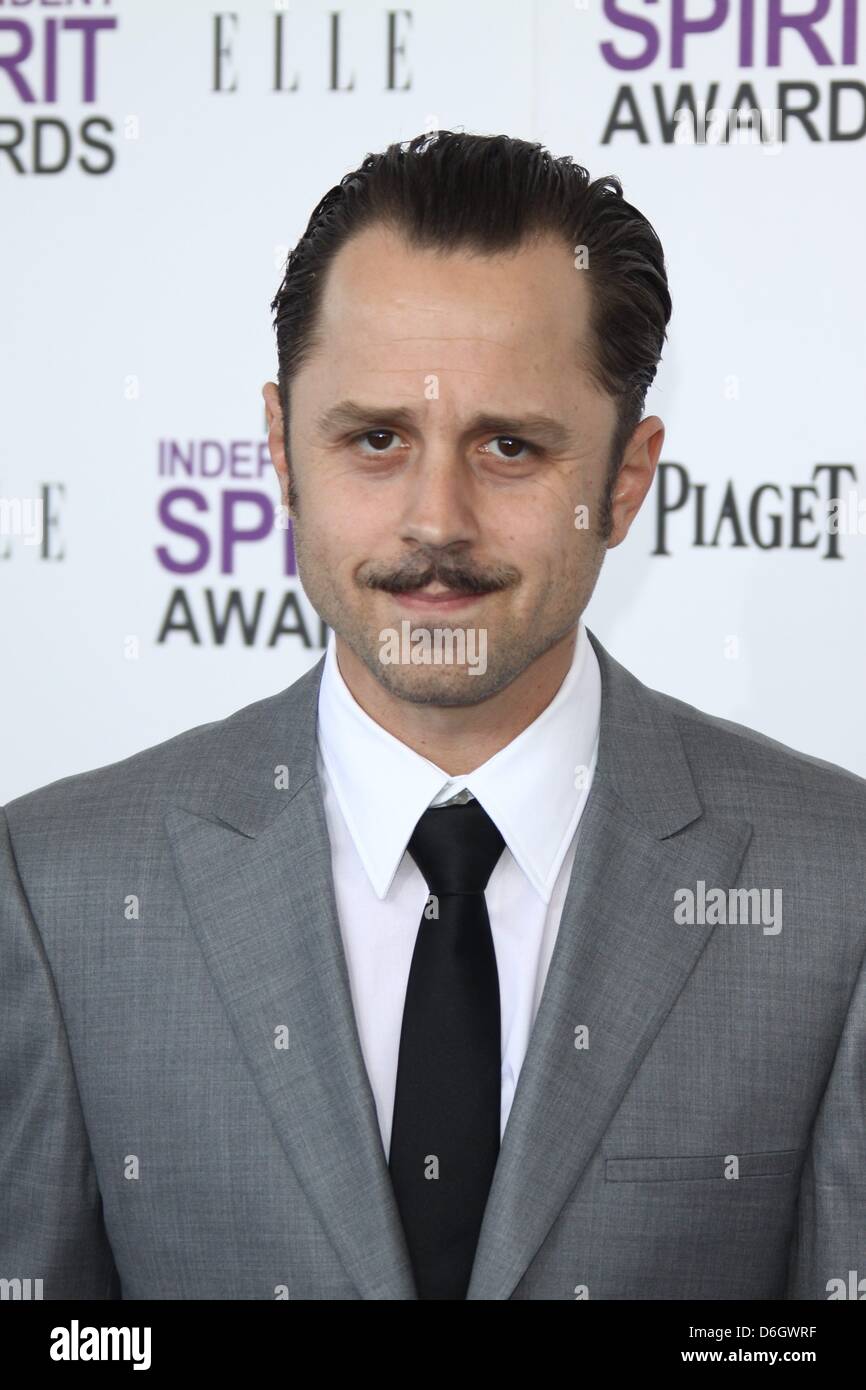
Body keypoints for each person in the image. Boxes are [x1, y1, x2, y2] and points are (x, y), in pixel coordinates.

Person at [2, 131, 864, 1301]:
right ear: (278, 452)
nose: (435, 521)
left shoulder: (833, 889)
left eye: (509, 446)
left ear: (622, 479)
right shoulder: (57, 889)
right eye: (374, 440)